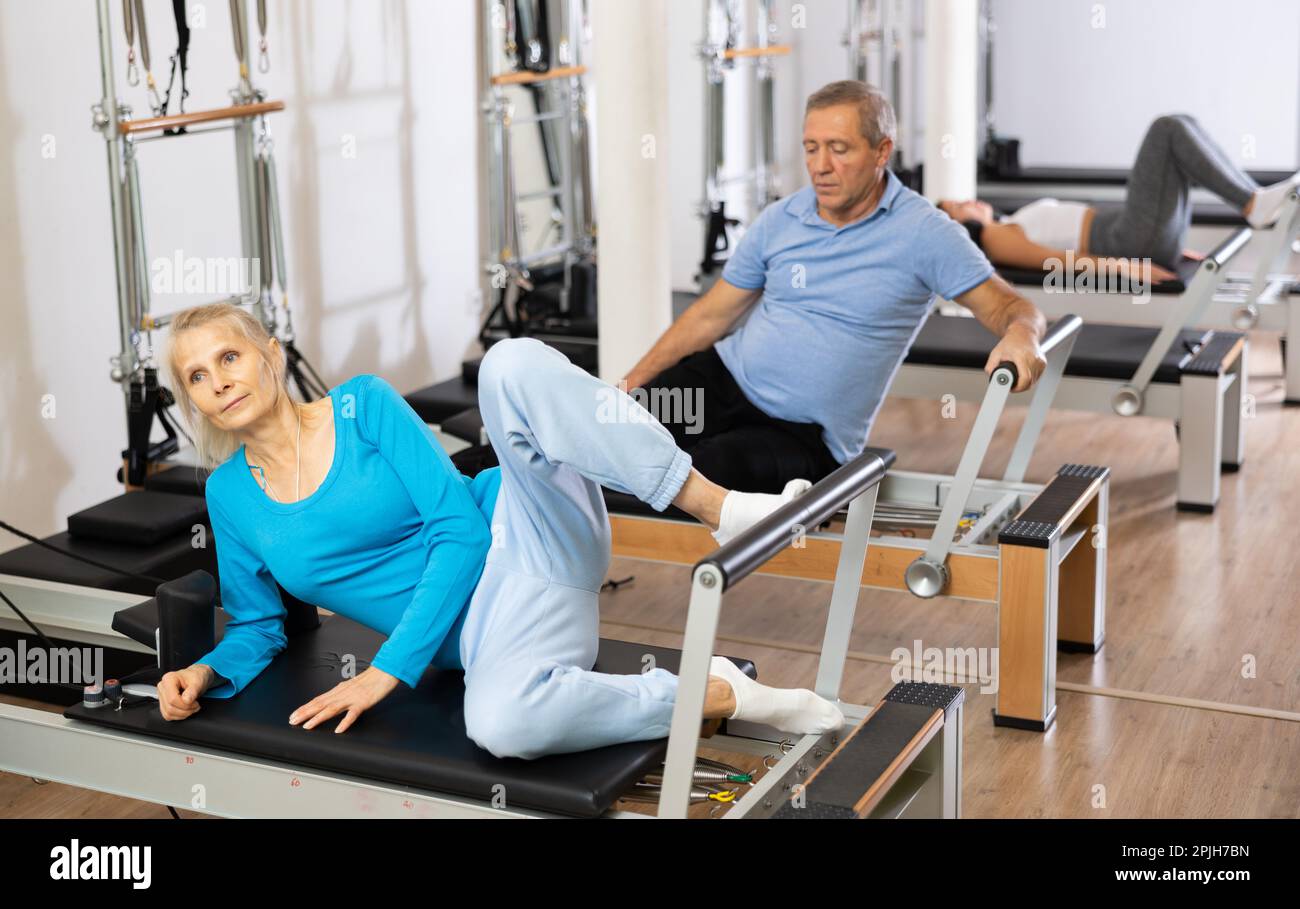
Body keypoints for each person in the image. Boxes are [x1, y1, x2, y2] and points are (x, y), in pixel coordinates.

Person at [155, 302, 846, 760]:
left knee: (510, 363)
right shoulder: (228, 493)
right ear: (193, 402)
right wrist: (201, 669)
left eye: (229, 357)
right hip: (501, 632)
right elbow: (256, 623)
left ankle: (721, 508)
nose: (218, 380)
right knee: (499, 725)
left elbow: (458, 529)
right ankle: (718, 690)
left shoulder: (362, 405)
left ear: (270, 356)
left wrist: (386, 670)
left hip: (526, 531)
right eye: (197, 375)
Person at [622, 80, 1047, 494]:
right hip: (723, 380)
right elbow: (711, 315)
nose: (820, 166)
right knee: (618, 431)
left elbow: (1008, 306)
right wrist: (630, 386)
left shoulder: (924, 233)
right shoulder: (780, 219)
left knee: (699, 474)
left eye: (839, 149)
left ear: (882, 151)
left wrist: (1022, 335)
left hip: (805, 436)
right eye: (811, 148)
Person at [939, 114, 1300, 279]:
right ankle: (1253, 204)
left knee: (1182, 124)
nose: (968, 201)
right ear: (959, 225)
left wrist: (1171, 248)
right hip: (1131, 241)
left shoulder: (1007, 224)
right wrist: (1129, 267)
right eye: (958, 207)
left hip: (1141, 236)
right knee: (1167, 130)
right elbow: (1057, 263)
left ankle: (1254, 199)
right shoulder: (993, 237)